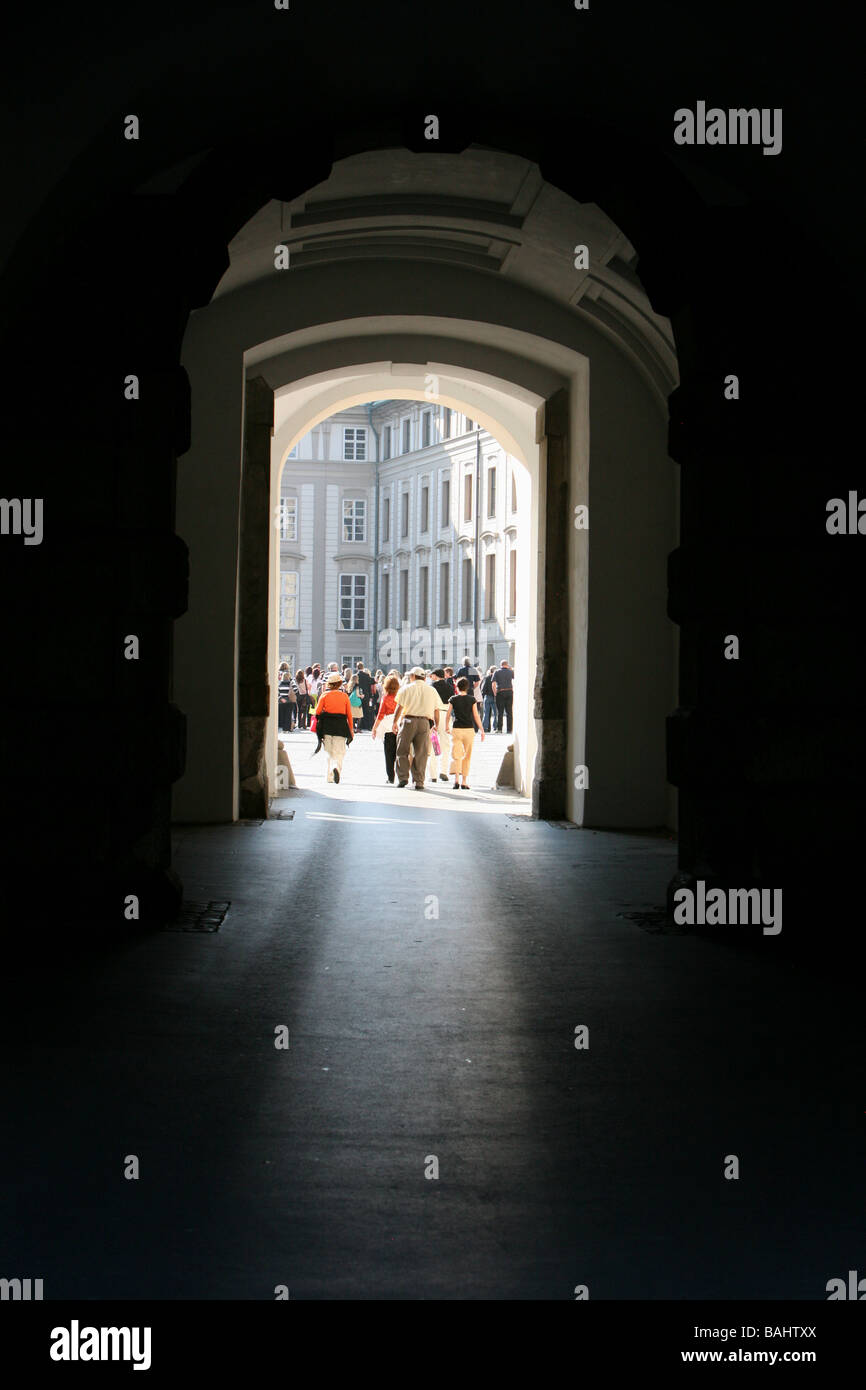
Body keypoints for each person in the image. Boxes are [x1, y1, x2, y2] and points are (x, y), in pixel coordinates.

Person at [392, 666, 442, 789]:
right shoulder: (432, 690)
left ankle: (403, 777)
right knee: (421, 753)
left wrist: (394, 722)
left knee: (402, 750)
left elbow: (399, 707)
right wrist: (436, 724)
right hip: (425, 722)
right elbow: (436, 710)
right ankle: (419, 781)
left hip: (408, 720)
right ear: (424, 678)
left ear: (413, 676)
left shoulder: (406, 688)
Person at [312, 670, 354, 783]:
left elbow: (317, 712)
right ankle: (336, 768)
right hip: (341, 726)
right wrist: (351, 730)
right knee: (339, 751)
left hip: (327, 726)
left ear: (329, 684)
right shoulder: (344, 696)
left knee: (329, 751)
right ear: (340, 684)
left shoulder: (324, 695)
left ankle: (330, 774)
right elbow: (349, 715)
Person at [447, 676, 485, 789]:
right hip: (469, 729)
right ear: (467, 688)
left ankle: (456, 780)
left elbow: (448, 714)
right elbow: (476, 715)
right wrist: (482, 730)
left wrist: (446, 727)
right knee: (467, 756)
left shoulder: (453, 699)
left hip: (457, 729)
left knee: (457, 755)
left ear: (457, 687)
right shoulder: (472, 699)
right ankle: (464, 781)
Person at [371, 672, 401, 783]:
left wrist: (374, 728)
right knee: (400, 753)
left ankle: (390, 777)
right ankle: (401, 775)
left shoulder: (386, 698)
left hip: (388, 728)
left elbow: (380, 714)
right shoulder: (400, 697)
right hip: (399, 727)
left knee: (389, 754)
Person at [492, 659, 514, 735]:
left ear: (501, 665)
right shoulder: (510, 672)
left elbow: (493, 684)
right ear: (507, 665)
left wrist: (495, 693)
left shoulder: (497, 672)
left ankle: (499, 729)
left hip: (500, 692)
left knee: (500, 712)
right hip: (509, 692)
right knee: (509, 712)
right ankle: (509, 729)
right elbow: (515, 679)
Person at [355, 661, 374, 730]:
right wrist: (370, 696)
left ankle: (359, 726)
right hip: (366, 695)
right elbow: (369, 686)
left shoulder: (356, 675)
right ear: (363, 667)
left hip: (358, 695)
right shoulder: (367, 675)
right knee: (366, 710)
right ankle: (367, 726)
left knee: (359, 711)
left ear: (357, 667)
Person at [480, 666, 498, 733]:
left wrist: (482, 696)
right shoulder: (497, 678)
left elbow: (483, 689)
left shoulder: (486, 678)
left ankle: (485, 727)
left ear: (490, 671)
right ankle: (495, 727)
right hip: (495, 697)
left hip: (487, 697)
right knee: (496, 713)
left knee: (486, 713)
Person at [277, 667, 295, 732]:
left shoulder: (279, 684)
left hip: (281, 702)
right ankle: (286, 729)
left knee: (282, 715)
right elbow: (296, 690)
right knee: (288, 715)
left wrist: (281, 698)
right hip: (289, 701)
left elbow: (277, 692)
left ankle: (282, 728)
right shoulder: (292, 683)